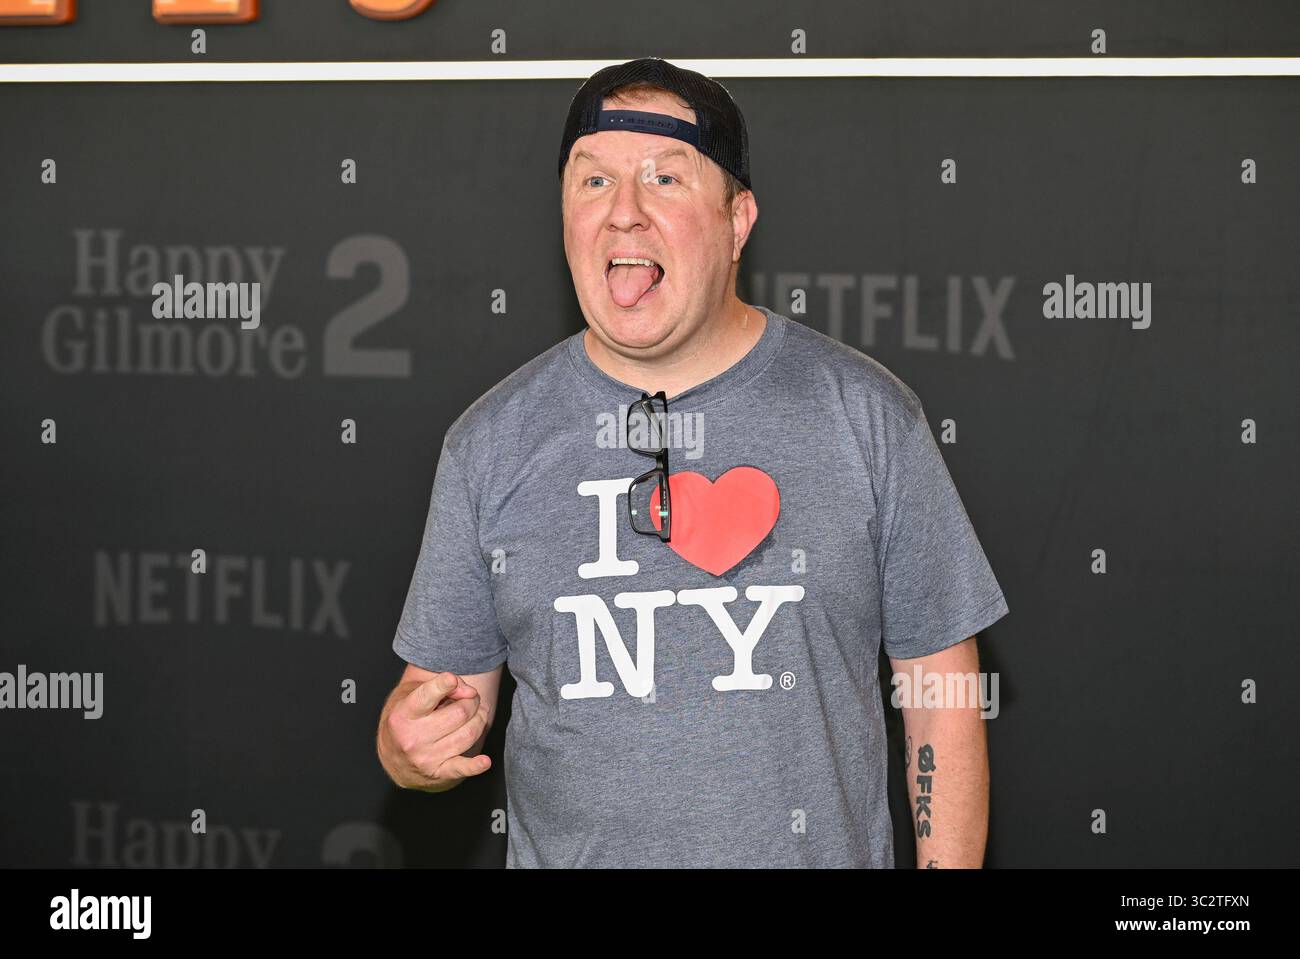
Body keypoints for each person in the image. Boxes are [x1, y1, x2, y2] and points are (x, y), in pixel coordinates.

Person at [377, 56, 1009, 868]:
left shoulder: (866, 414)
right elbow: (434, 703)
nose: (623, 214)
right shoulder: (490, 441)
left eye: (664, 179)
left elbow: (941, 691)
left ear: (737, 219)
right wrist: (405, 749)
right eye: (593, 182)